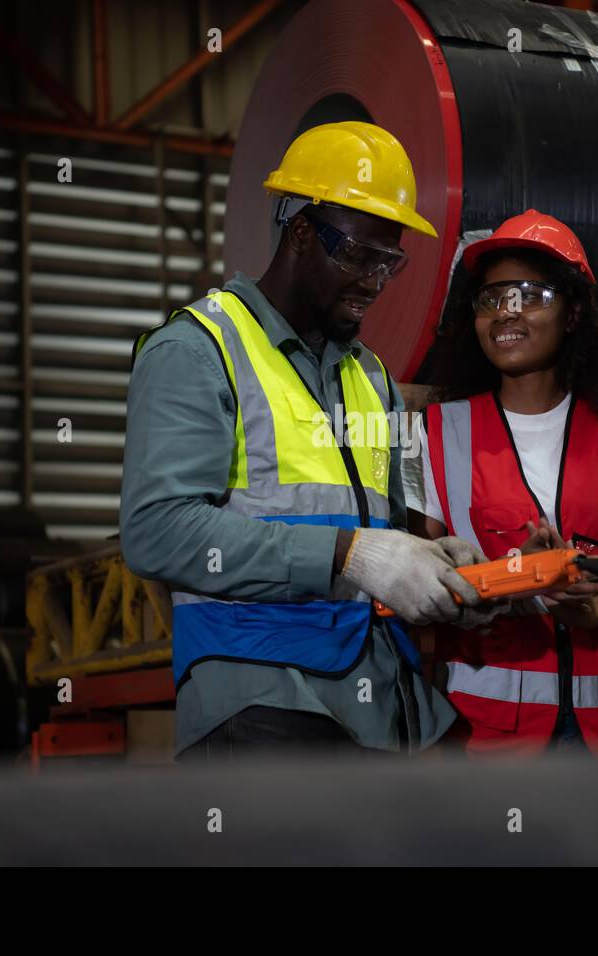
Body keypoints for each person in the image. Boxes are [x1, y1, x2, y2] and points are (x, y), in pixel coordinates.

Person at [119, 121, 498, 763]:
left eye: (390, 261)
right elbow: (156, 530)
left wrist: (438, 568)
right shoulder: (198, 349)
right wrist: (351, 555)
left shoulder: (369, 374)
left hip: (381, 696)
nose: (375, 282)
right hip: (261, 691)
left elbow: (380, 530)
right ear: (298, 231)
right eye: (357, 255)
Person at [406, 209, 598, 755]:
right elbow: (425, 580)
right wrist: (517, 574)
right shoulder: (438, 434)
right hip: (489, 735)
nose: (507, 313)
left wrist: (593, 611)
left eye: (530, 294)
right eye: (492, 298)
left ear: (574, 312)